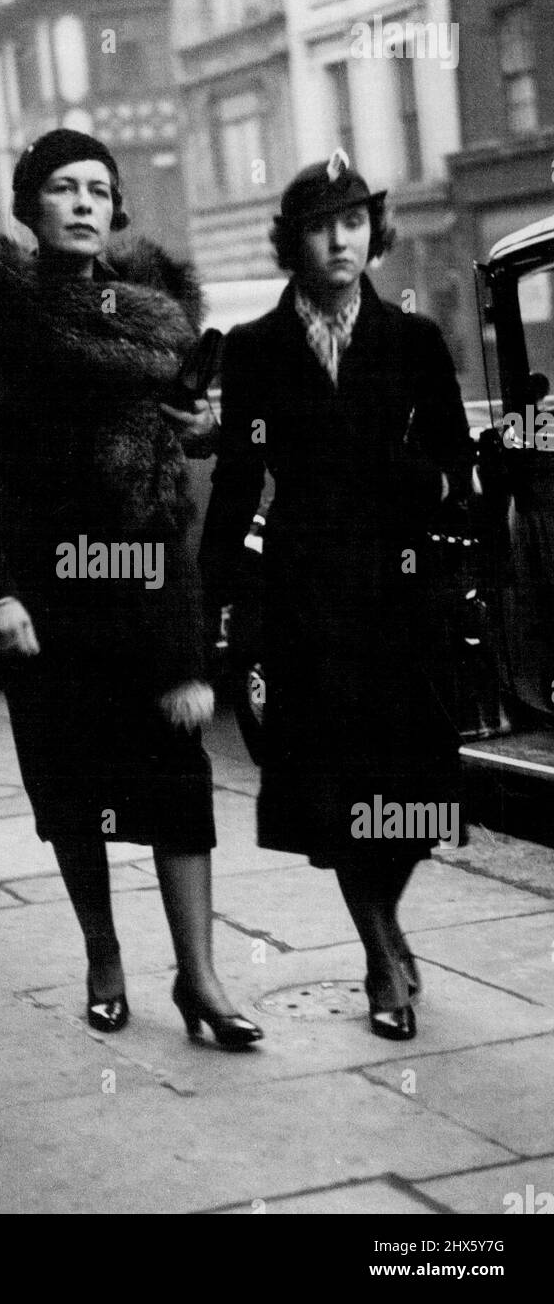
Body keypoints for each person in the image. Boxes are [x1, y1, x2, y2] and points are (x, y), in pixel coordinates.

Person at [0, 128, 261, 1048]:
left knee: (180, 771)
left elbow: (187, 439)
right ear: (29, 207)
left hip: (150, 576)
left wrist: (197, 425)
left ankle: (198, 979)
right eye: (62, 189)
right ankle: (103, 954)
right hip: (48, 585)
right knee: (71, 781)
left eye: (98, 189)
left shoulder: (154, 312)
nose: (84, 203)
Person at [201, 150, 473, 1040]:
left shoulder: (416, 339)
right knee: (337, 789)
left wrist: (415, 479)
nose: (340, 240)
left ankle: (384, 924)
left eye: (354, 222)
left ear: (374, 232)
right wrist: (216, 605)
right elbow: (239, 481)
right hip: (308, 596)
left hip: (401, 596)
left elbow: (456, 472)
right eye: (321, 226)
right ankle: (382, 956)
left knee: (420, 790)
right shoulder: (256, 350)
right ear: (295, 242)